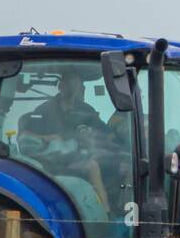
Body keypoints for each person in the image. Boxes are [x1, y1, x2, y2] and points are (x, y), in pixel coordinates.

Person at [17, 65, 113, 214]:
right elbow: (24, 136)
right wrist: (49, 138)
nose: (78, 89)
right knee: (92, 166)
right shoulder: (44, 111)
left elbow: (106, 133)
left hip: (79, 156)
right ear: (62, 86)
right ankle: (106, 214)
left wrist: (92, 135)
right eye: (72, 84)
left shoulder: (86, 110)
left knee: (117, 164)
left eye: (79, 85)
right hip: (50, 163)